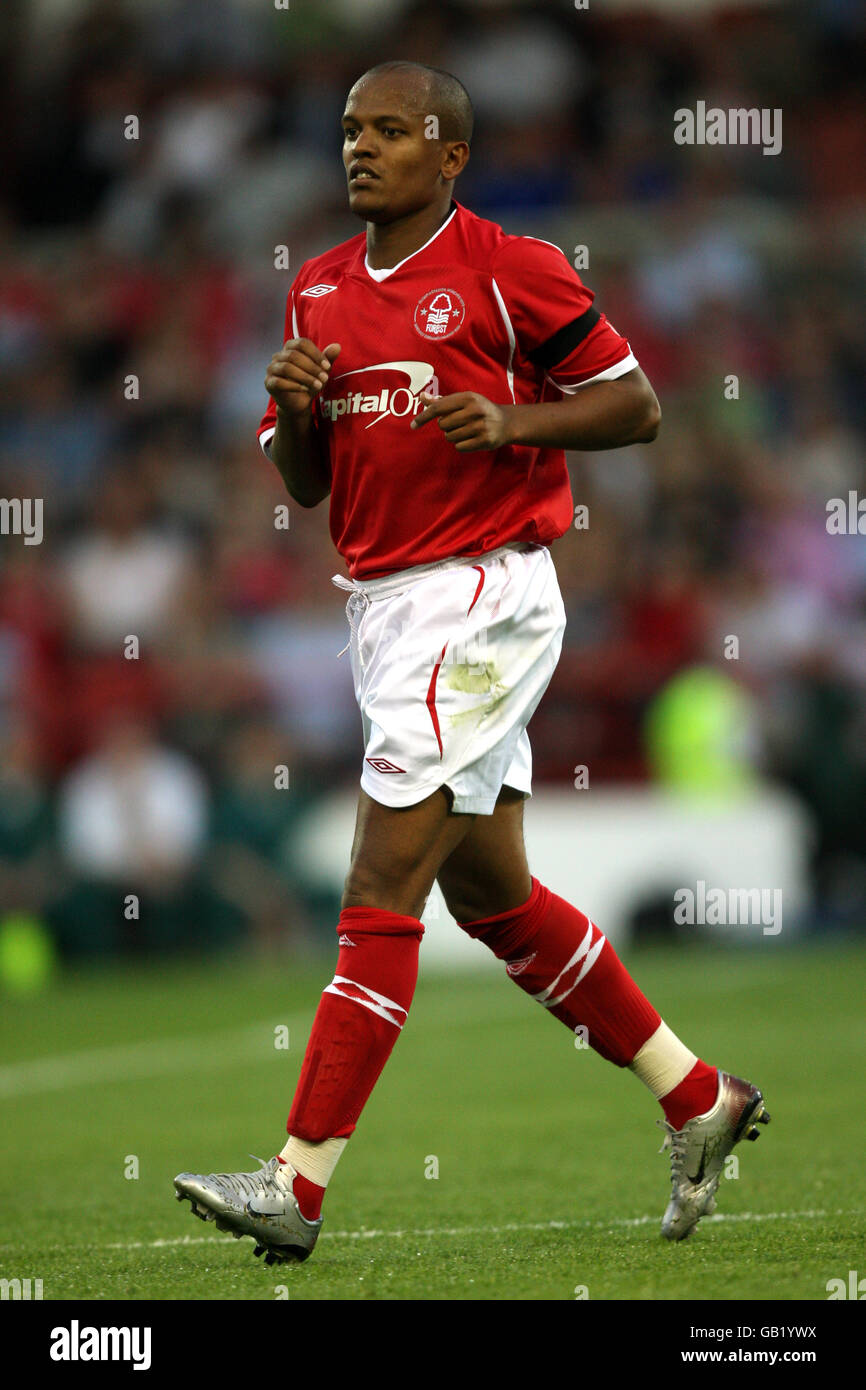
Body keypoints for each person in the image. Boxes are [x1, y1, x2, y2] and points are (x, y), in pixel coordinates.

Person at [174, 61, 769, 1265]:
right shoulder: (320, 289)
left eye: (391, 131)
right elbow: (304, 484)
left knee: (376, 886)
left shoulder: (511, 268)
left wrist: (514, 422)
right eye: (349, 130)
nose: (360, 149)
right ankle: (696, 1094)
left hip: (478, 597)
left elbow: (636, 404)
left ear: (448, 154)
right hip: (383, 608)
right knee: (489, 898)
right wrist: (292, 408)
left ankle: (295, 1183)